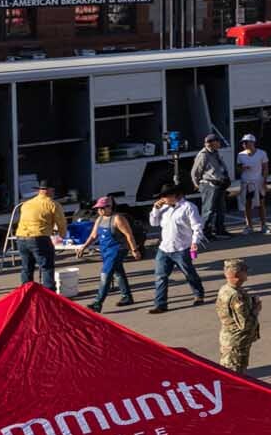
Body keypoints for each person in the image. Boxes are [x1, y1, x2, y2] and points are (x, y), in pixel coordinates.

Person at [148, 184, 209, 312]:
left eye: (165, 196)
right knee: (160, 276)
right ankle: (160, 304)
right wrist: (155, 209)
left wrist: (195, 242)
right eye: (162, 197)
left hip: (182, 247)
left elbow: (197, 226)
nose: (163, 199)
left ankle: (199, 294)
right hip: (164, 247)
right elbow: (153, 223)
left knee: (189, 273)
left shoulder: (189, 207)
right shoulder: (163, 208)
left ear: (174, 195)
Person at [84, 196, 144, 312]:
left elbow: (129, 235)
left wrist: (134, 250)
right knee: (118, 272)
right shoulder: (99, 219)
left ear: (109, 207)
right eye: (98, 208)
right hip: (105, 250)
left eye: (101, 208)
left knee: (105, 275)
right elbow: (93, 235)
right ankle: (127, 297)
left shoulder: (117, 218)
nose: (99, 211)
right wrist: (84, 247)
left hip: (118, 250)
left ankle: (98, 302)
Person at [212, 257, 261, 372]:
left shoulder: (225, 289)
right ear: (237, 274)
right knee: (235, 373)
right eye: (245, 271)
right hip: (237, 342)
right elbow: (245, 323)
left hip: (229, 338)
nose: (247, 274)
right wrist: (256, 309)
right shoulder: (236, 296)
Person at [192, 132, 235, 239]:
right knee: (209, 209)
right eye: (218, 141)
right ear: (212, 143)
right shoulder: (203, 155)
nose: (219, 143)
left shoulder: (215, 153)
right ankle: (205, 232)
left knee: (221, 208)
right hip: (209, 185)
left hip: (219, 185)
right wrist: (197, 185)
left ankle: (220, 230)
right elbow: (195, 172)